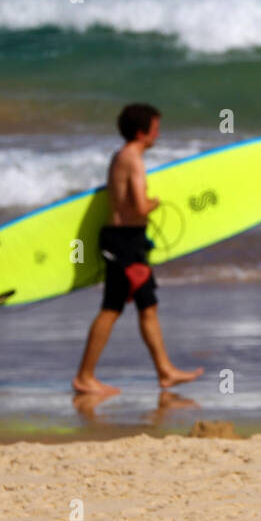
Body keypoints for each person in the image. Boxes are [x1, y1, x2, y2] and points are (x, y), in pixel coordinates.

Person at [72, 103, 203, 396]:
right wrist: (156, 203)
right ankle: (84, 377)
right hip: (123, 244)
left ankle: (165, 371)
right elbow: (141, 206)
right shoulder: (133, 159)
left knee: (148, 306)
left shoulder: (123, 157)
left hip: (129, 241)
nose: (158, 133)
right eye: (156, 128)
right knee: (111, 309)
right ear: (142, 132)